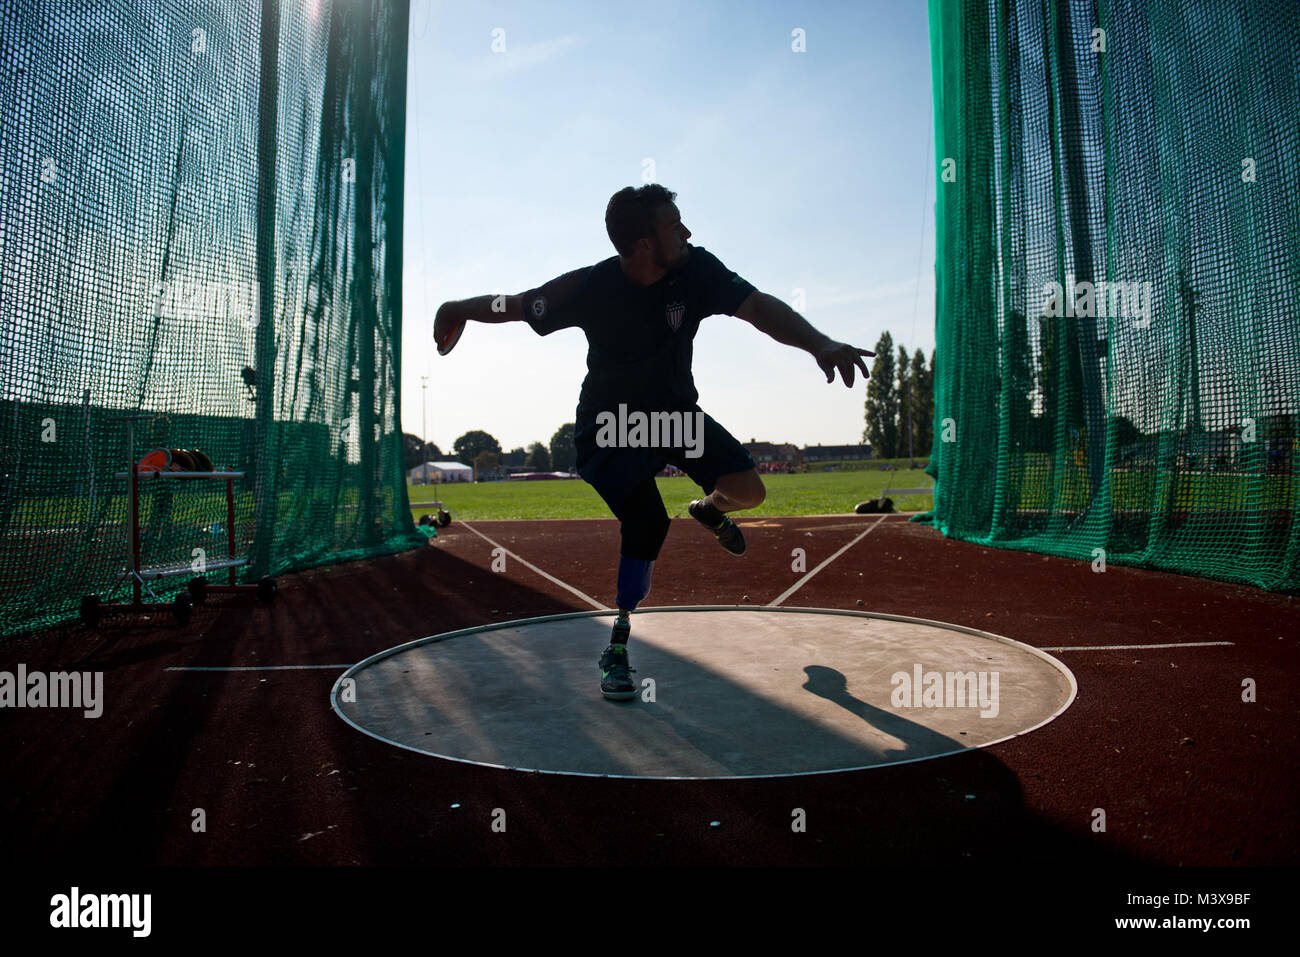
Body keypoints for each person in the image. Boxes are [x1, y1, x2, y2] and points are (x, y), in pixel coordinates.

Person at [434, 184, 873, 700]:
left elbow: (758, 308)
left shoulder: (697, 270)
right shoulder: (587, 286)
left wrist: (819, 343)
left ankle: (708, 509)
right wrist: (457, 306)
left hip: (674, 417)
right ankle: (617, 644)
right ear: (642, 244)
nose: (686, 233)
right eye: (674, 225)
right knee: (646, 522)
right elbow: (515, 304)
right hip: (610, 427)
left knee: (751, 493)